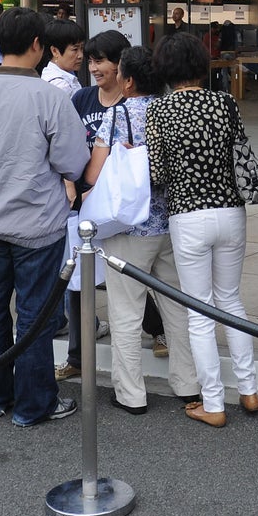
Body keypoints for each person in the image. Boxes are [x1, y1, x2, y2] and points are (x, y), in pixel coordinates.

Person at [0, 6, 89, 427]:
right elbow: (72, 161)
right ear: (37, 45)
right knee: (34, 313)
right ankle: (34, 405)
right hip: (36, 224)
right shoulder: (49, 97)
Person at [146, 32, 258, 427]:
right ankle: (249, 390)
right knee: (232, 301)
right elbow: (240, 152)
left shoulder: (159, 111)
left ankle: (213, 403)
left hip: (187, 215)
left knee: (200, 312)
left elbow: (157, 174)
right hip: (231, 210)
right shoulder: (225, 101)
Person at [83, 45, 198, 413]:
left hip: (129, 229)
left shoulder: (118, 116)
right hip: (173, 224)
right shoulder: (171, 111)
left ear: (128, 80)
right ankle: (188, 384)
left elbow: (94, 173)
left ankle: (131, 395)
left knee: (126, 312)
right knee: (177, 308)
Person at [57, 30, 132, 381]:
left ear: (120, 64)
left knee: (130, 276)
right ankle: (77, 355)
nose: (93, 67)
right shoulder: (81, 99)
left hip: (118, 207)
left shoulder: (132, 104)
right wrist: (71, 187)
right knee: (78, 282)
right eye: (90, 60)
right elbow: (64, 146)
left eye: (101, 60)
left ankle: (156, 329)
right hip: (81, 204)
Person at [40, 17, 85, 95]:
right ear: (55, 51)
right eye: (75, 49)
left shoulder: (55, 75)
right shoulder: (61, 86)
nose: (80, 55)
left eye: (81, 48)